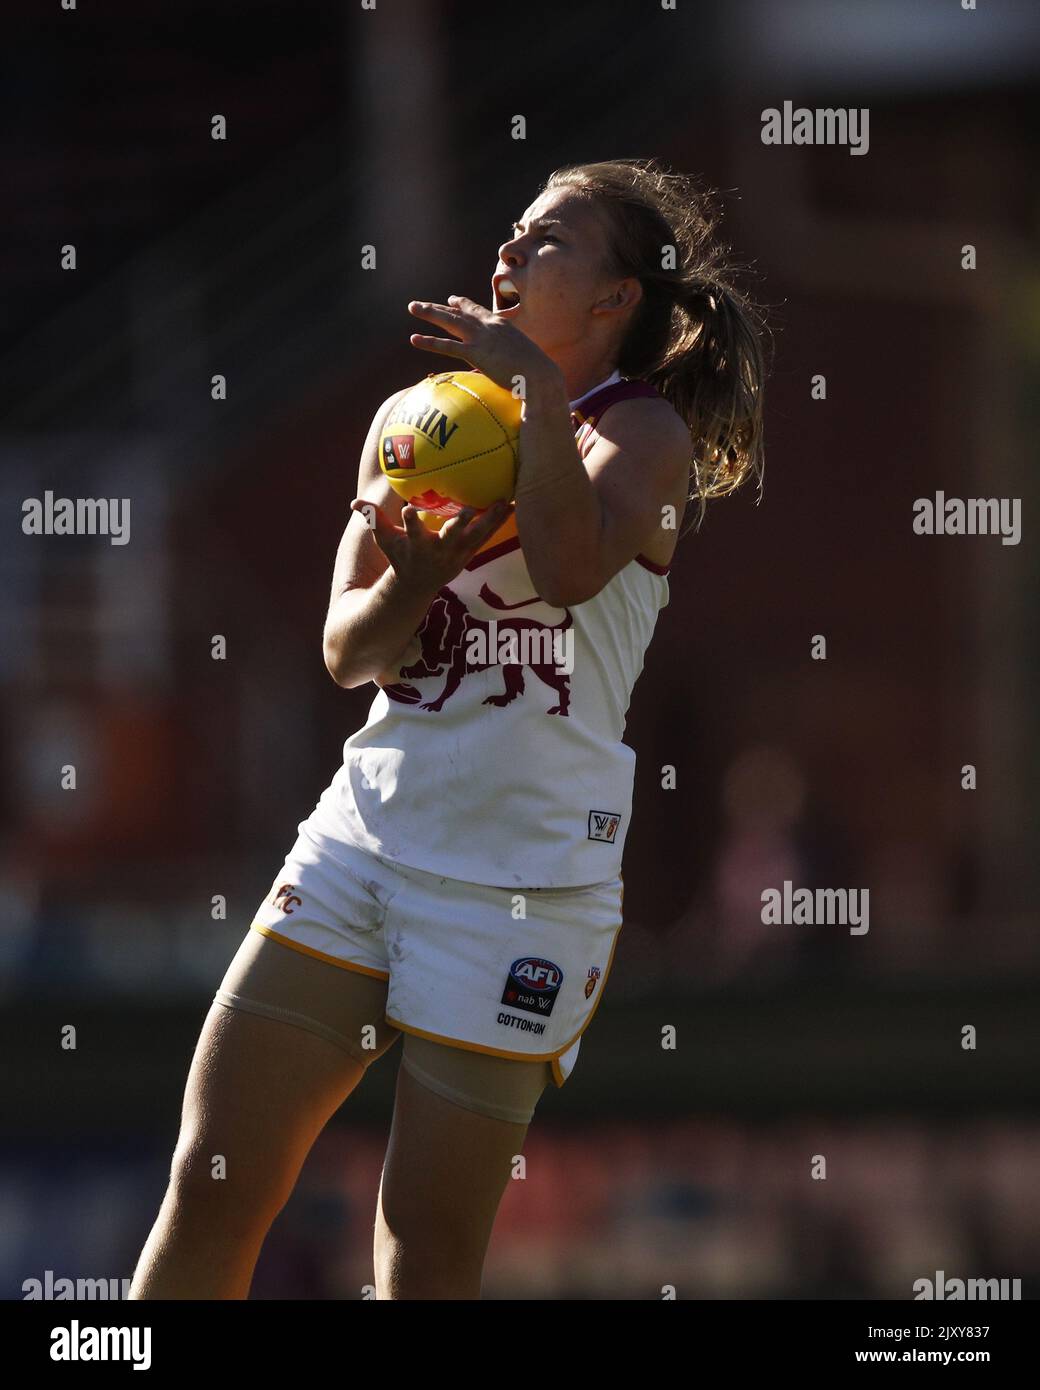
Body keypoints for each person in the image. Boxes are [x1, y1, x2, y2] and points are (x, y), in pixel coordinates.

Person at [128, 156, 767, 1301]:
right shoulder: (411, 421)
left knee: (421, 1254)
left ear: (616, 300)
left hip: (521, 887)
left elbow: (568, 571)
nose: (511, 254)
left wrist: (527, 398)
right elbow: (346, 652)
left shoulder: (641, 433)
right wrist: (409, 585)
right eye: (513, 232)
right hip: (364, 843)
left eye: (550, 242)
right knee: (214, 1183)